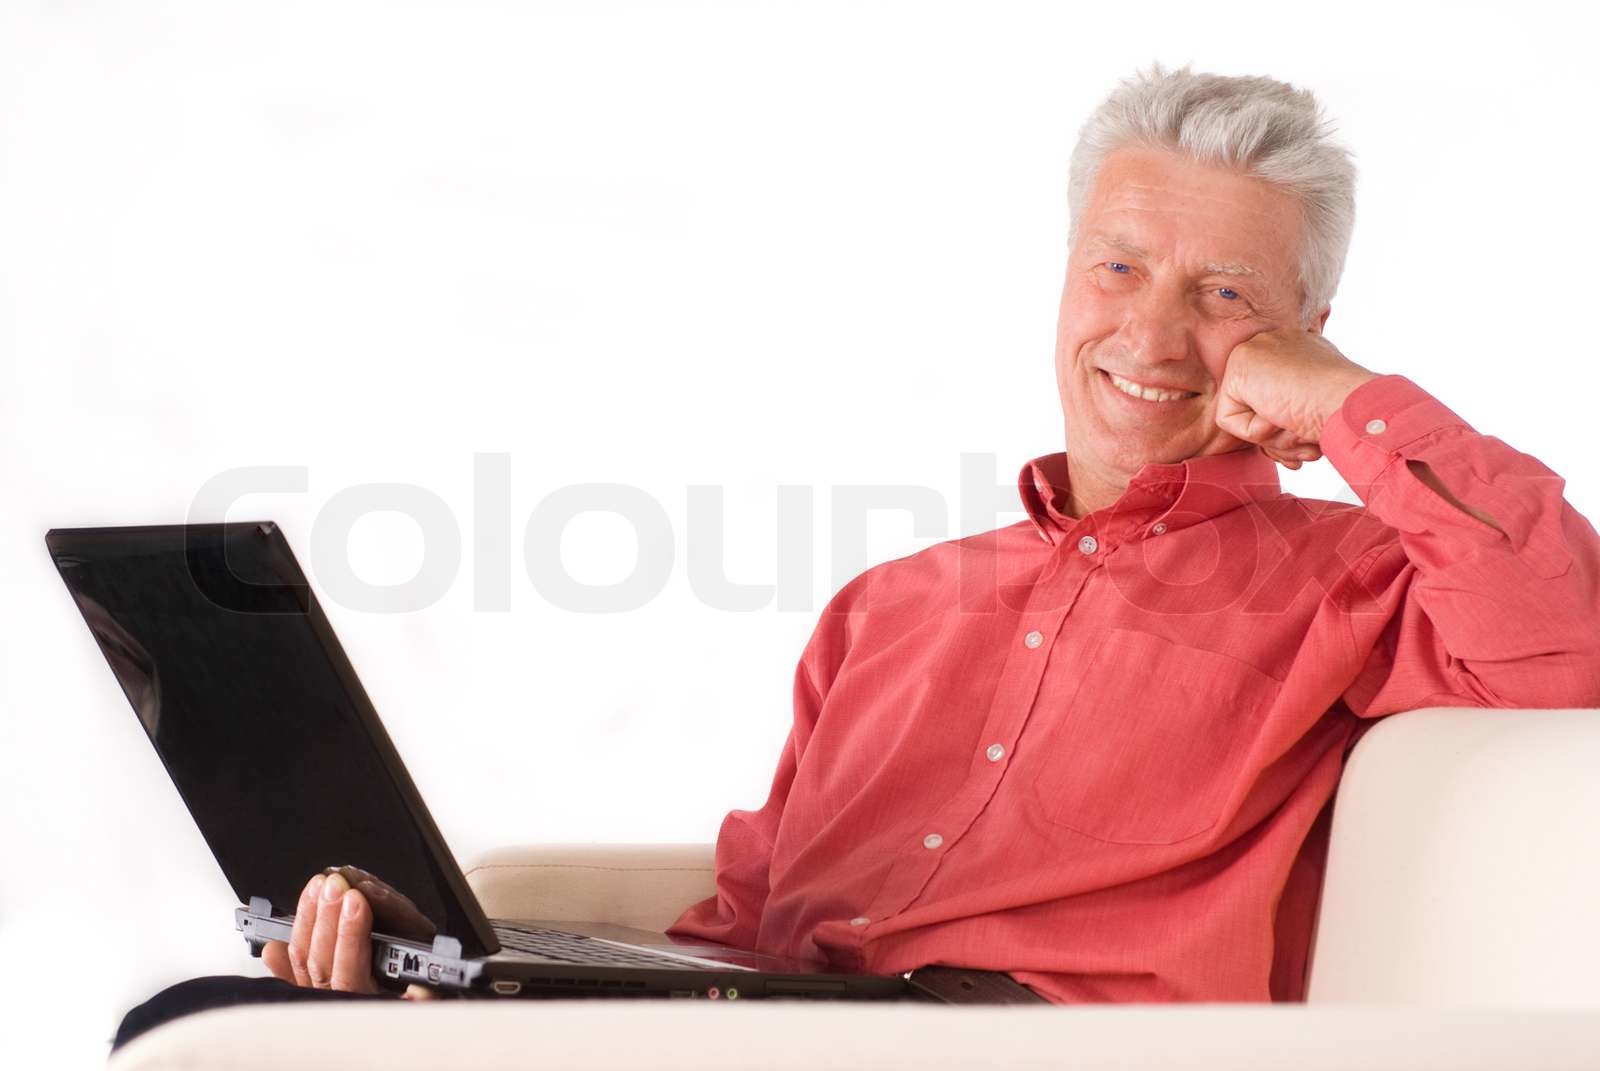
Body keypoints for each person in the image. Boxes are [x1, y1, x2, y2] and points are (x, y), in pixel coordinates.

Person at [115, 62, 1600, 1047]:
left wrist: (1352, 411)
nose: (1150, 335)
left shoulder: (1355, 584)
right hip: (779, 1025)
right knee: (224, 1023)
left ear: (1298, 329)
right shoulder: (890, 608)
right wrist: (461, 959)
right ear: (1065, 274)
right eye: (1120, 268)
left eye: (1223, 294)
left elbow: (1568, 636)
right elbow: (747, 927)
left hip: (1038, 1047)